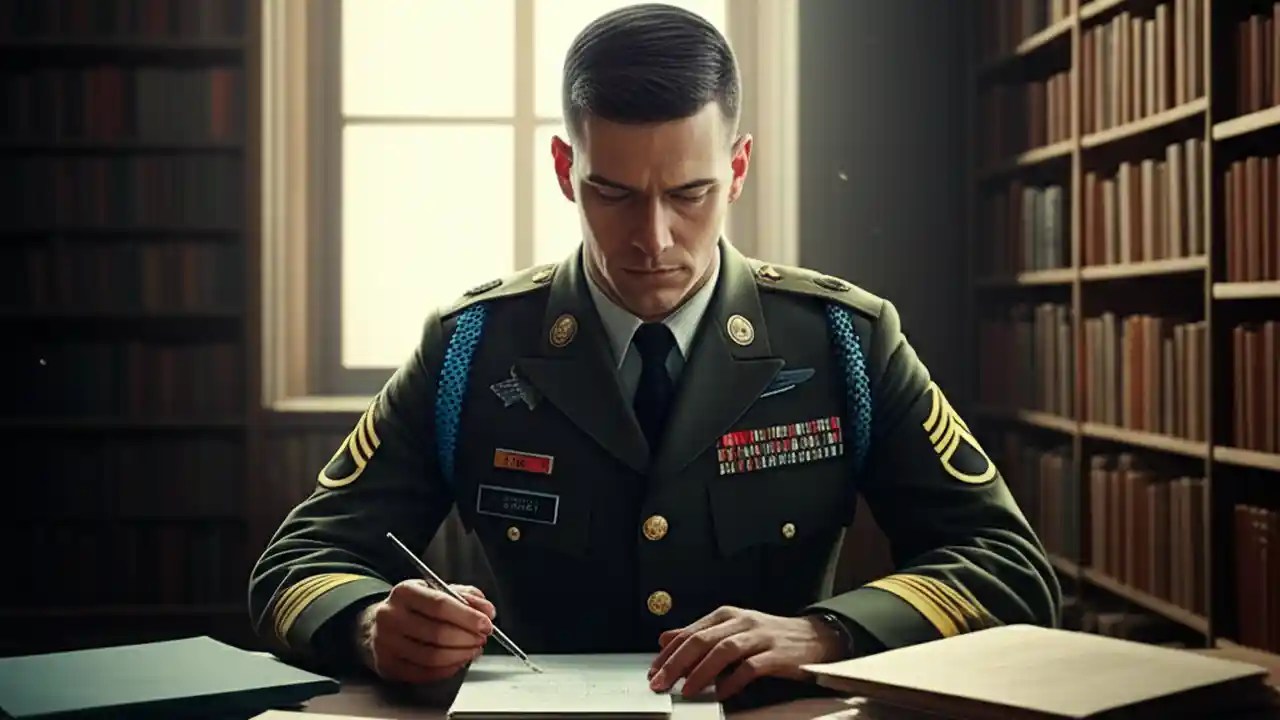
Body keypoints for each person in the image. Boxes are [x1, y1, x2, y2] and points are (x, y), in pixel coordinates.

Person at [248, 2, 1060, 704]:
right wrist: (367, 625)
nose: (652, 239)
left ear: (737, 169)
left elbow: (1010, 567)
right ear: (566, 170)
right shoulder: (473, 347)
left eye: (689, 193)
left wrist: (830, 633)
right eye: (614, 193)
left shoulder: (844, 339)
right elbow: (298, 560)